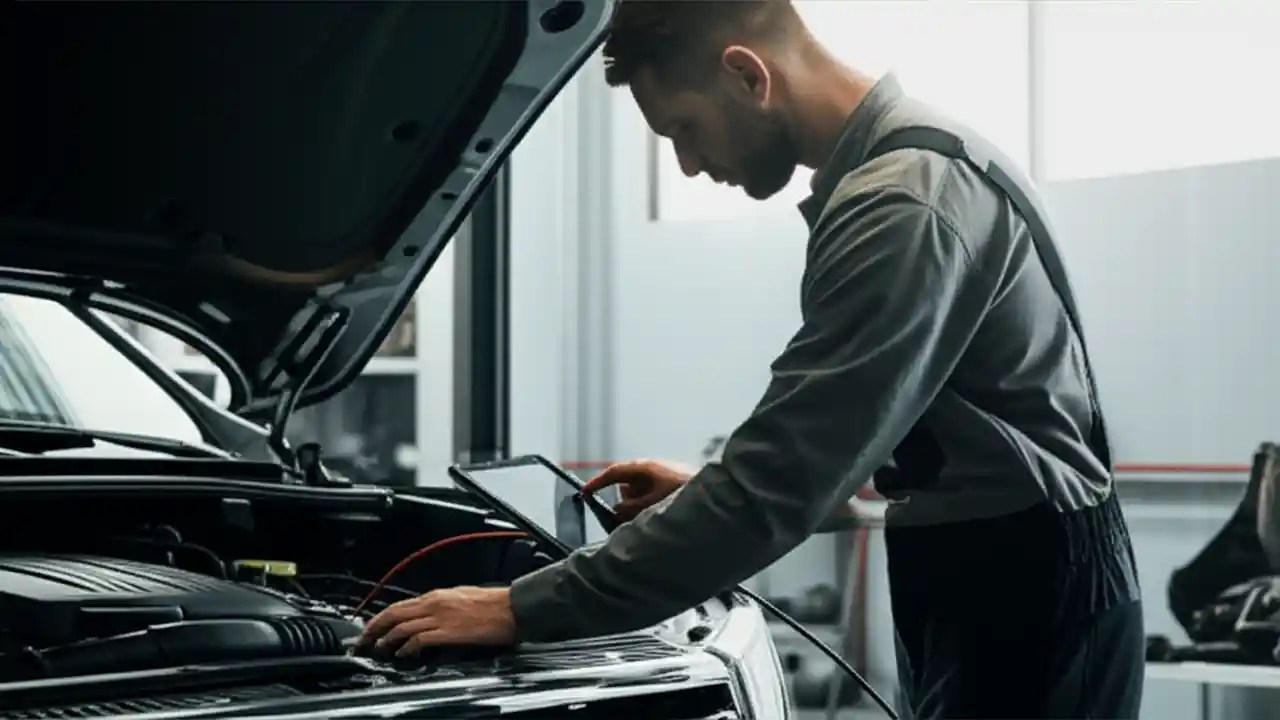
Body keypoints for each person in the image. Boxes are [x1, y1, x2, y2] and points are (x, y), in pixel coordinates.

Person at [355, 2, 1145, 717]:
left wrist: (518, 608)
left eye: (685, 131)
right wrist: (709, 490)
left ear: (746, 74)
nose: (693, 166)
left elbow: (780, 482)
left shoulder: (904, 204)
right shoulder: (914, 166)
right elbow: (940, 446)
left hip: (1024, 597)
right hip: (996, 572)